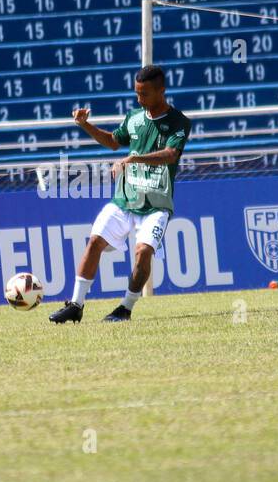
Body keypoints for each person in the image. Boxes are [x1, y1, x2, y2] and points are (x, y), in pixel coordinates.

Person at [49, 64, 192, 323]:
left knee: (143, 252)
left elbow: (171, 155)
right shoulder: (135, 117)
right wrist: (85, 125)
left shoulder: (178, 122)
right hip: (125, 199)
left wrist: (135, 158)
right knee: (94, 242)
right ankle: (75, 305)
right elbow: (114, 141)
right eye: (137, 93)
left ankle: (125, 308)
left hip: (156, 204)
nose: (139, 99)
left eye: (144, 94)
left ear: (161, 91)